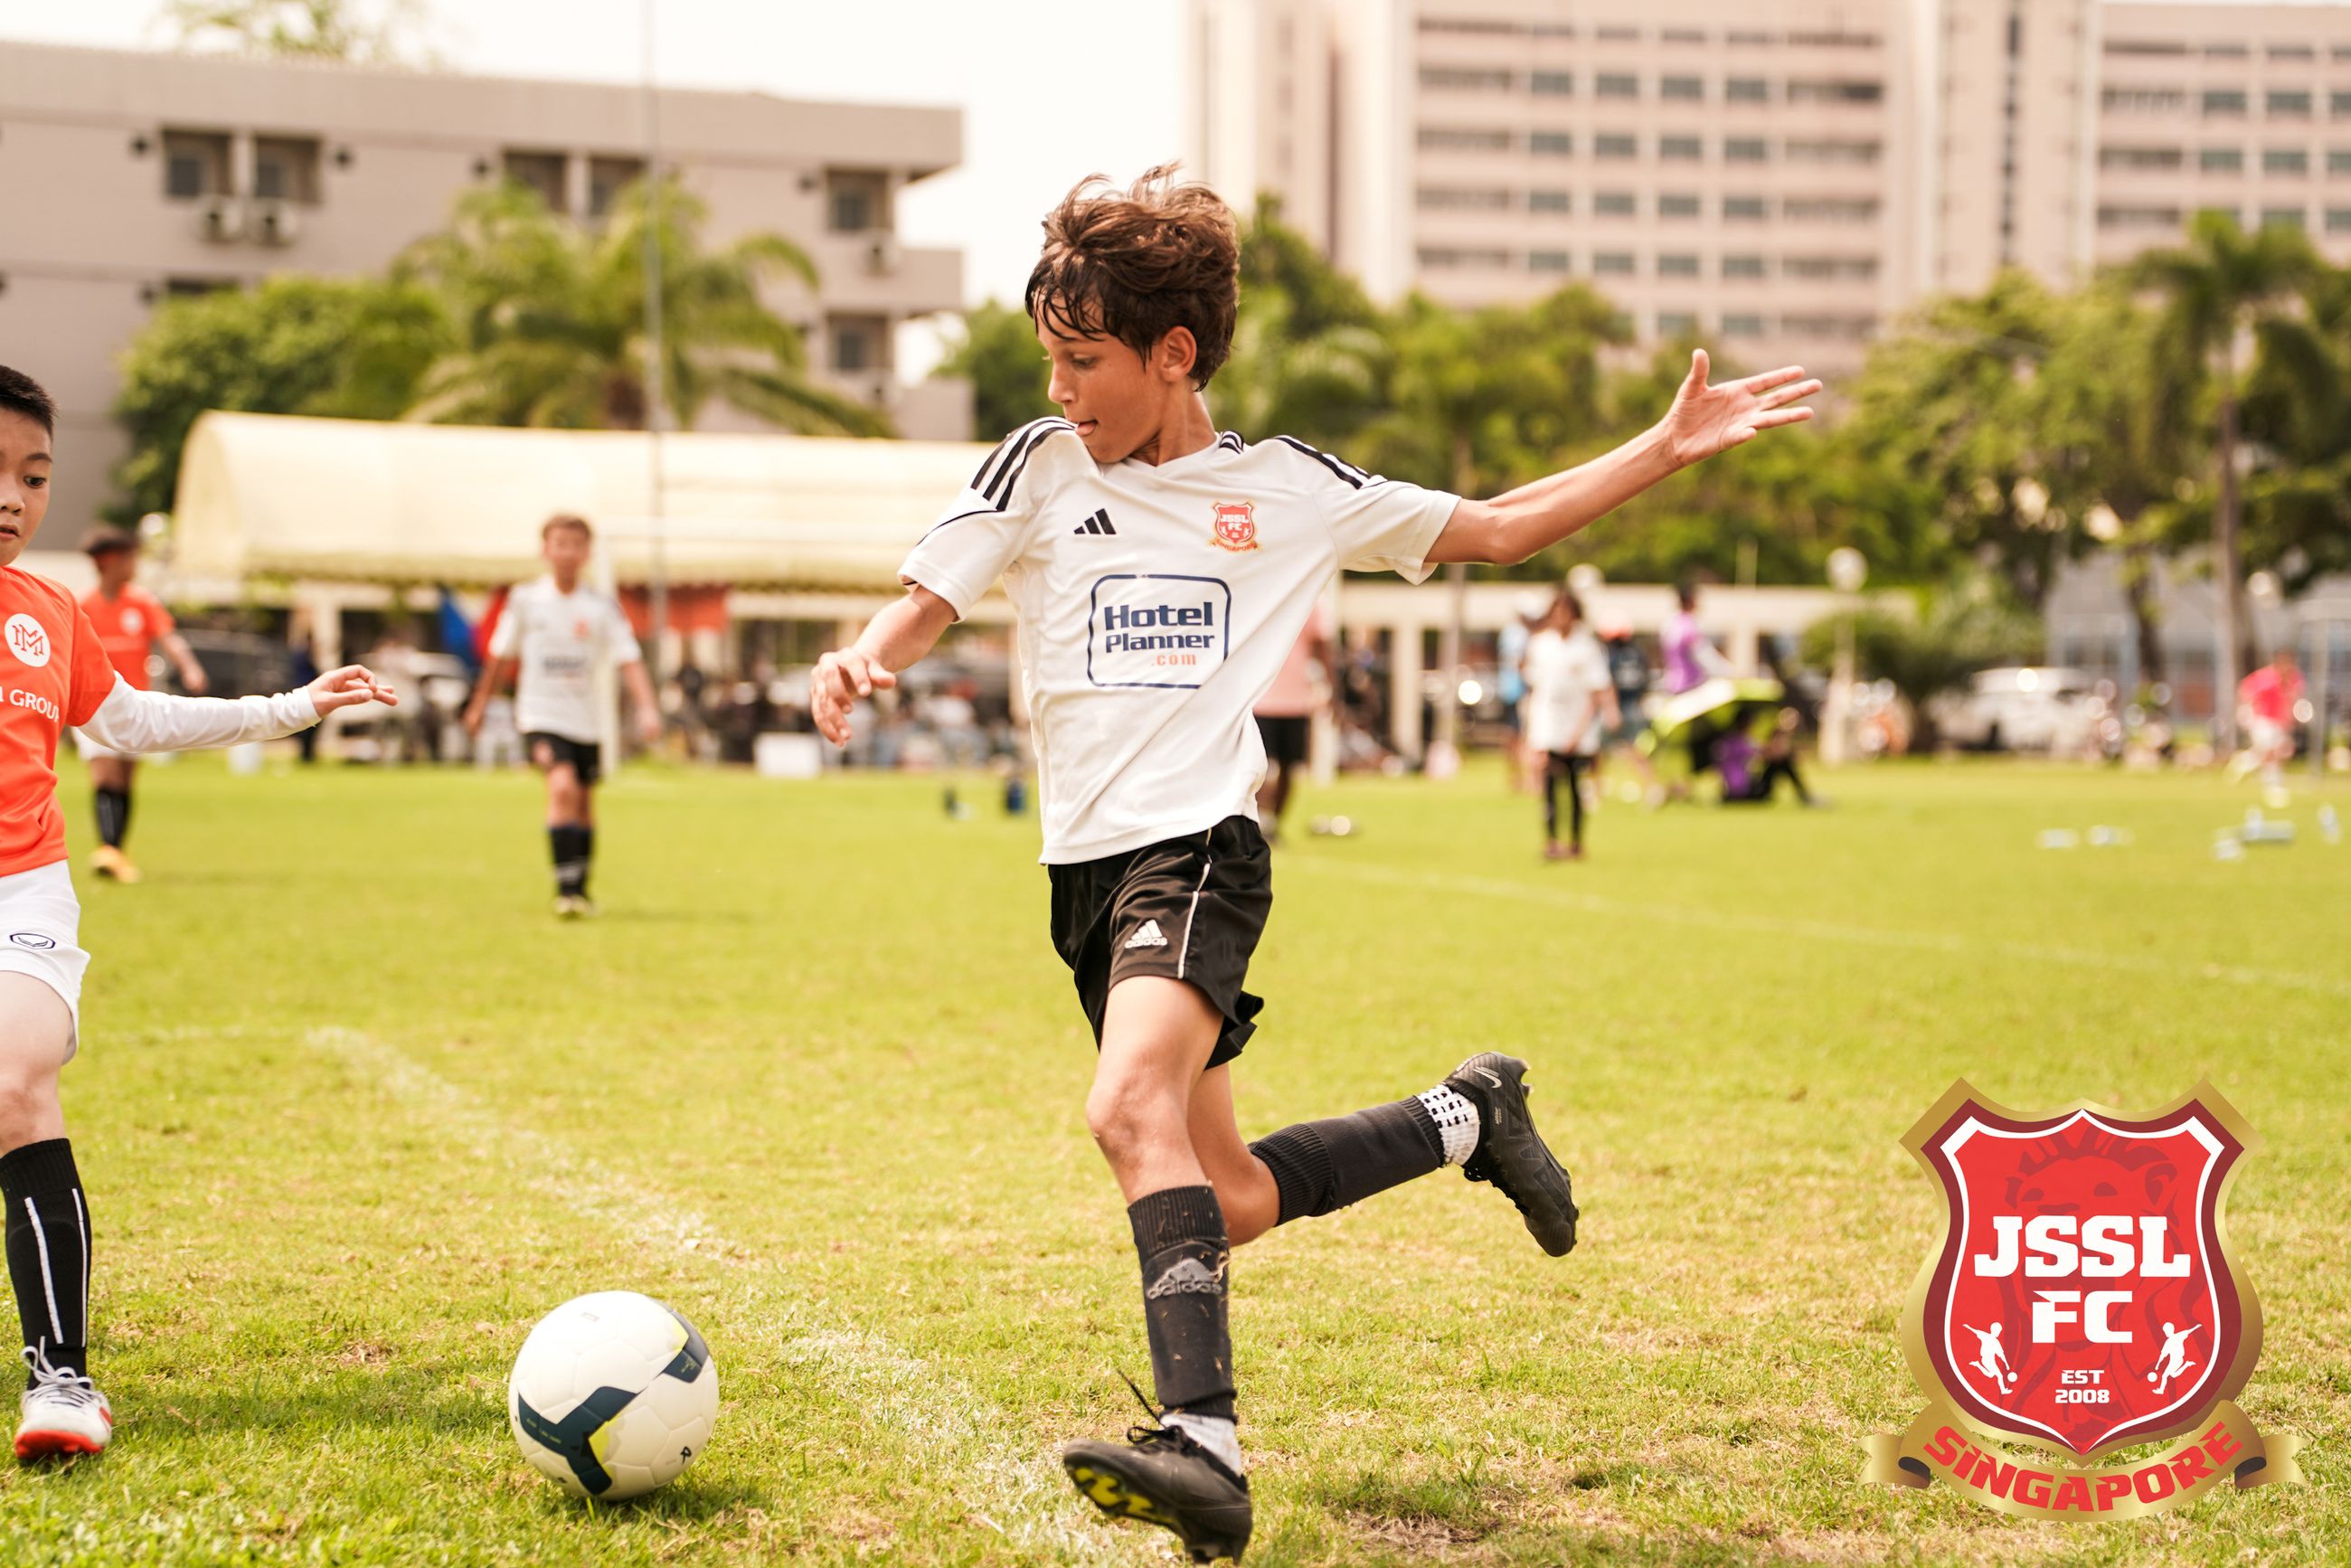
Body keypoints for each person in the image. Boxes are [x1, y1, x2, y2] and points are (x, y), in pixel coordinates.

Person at [806, 167, 1818, 1563]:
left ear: (1174, 353)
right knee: (1219, 1195)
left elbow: (1498, 526)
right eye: (1052, 357)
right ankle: (1468, 1117)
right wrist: (866, 653)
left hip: (1197, 851)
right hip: (1083, 877)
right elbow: (931, 594)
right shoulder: (1038, 465)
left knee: (1127, 1108)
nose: (1061, 386)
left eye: (1084, 360)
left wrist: (1660, 448)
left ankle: (1205, 1445)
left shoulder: (1287, 490)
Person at [0, 364, 395, 1458]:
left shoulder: (49, 613)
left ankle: (62, 1380)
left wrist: (289, 707)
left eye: (34, 475)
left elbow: (131, 721)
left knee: (16, 1079)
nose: (13, 499)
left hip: (20, 889)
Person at [463, 516, 661, 918]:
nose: (567, 552)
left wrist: (647, 707)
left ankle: (581, 890)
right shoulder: (525, 600)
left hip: (587, 720)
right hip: (540, 716)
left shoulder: (601, 606)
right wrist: (480, 703)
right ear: (545, 550)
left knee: (584, 803)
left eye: (576, 545)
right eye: (560, 543)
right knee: (562, 788)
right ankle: (566, 891)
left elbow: (629, 658)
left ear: (587, 553)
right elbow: (500, 655)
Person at [71, 530, 211, 884]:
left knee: (125, 778)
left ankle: (116, 851)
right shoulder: (82, 606)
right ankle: (108, 849)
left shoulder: (142, 602)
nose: (136, 566)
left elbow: (169, 638)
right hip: (93, 705)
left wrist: (190, 667)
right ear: (111, 562)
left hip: (135, 706)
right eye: (131, 558)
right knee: (105, 775)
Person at [1521, 591, 1617, 861]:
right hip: (1548, 728)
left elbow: (1596, 690)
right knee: (1550, 786)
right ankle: (1551, 840)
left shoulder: (1587, 647)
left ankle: (1576, 842)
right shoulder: (1541, 645)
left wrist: (1580, 731)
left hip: (1577, 728)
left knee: (1575, 787)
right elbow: (1536, 691)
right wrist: (1533, 734)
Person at [1250, 601, 1331, 843]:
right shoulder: (1259, 594)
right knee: (1262, 767)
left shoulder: (1312, 598)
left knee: (1289, 767)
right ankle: (1258, 822)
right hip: (1261, 700)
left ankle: (1272, 823)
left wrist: (1333, 689)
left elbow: (1323, 645)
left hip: (1296, 701)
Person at [2230, 649, 2304, 804]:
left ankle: (2244, 763)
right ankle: (2272, 783)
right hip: (2263, 720)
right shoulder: (2266, 677)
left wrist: (2291, 718)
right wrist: (2249, 710)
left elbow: (2293, 699)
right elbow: (2246, 690)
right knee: (2271, 750)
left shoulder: (2294, 678)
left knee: (2280, 752)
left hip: (2280, 723)